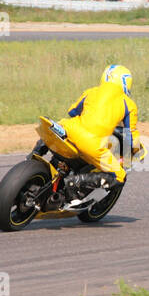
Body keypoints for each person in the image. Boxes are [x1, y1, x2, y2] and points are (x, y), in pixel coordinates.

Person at [59, 64, 144, 197]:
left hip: (67, 128)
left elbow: (72, 111)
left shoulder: (90, 91)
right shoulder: (128, 104)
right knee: (120, 177)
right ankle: (74, 182)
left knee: (53, 129)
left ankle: (35, 155)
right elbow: (131, 136)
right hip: (91, 144)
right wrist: (138, 150)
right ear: (126, 83)